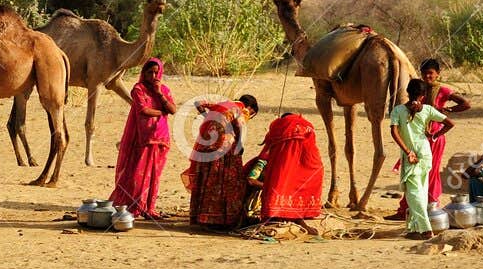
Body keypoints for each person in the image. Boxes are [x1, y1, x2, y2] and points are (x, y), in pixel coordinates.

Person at [386, 58, 470, 221]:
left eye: (431, 73)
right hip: (418, 137)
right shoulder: (420, 89)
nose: (427, 76)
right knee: (411, 172)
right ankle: (407, 208)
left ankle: (431, 206)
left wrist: (447, 110)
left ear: (438, 74)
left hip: (435, 137)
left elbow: (466, 104)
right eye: (425, 73)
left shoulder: (443, 91)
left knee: (430, 172)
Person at [110, 58, 175, 221]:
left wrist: (159, 93)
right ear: (144, 73)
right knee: (137, 174)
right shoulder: (138, 89)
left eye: (156, 72)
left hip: (161, 138)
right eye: (149, 72)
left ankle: (149, 207)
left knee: (154, 175)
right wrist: (161, 112)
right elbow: (143, 110)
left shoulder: (164, 90)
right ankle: (134, 205)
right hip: (143, 138)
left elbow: (173, 109)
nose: (153, 76)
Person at [389, 78, 454, 240]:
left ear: (407, 93)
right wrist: (434, 135)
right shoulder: (427, 110)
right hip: (425, 153)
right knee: (422, 191)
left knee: (413, 193)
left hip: (412, 156)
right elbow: (449, 123)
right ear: (423, 95)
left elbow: (394, 133)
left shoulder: (397, 110)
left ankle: (425, 229)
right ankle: (413, 228)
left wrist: (407, 151)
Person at [184, 94, 258, 227]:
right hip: (223, 145)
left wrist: (208, 118)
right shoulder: (241, 108)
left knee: (207, 176)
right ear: (250, 107)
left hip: (206, 142)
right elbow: (240, 125)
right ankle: (221, 218)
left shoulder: (222, 104)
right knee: (224, 177)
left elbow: (198, 102)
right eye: (252, 114)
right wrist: (240, 144)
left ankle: (202, 215)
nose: (249, 116)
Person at [246, 111, 324, 223]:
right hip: (313, 164)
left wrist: (272, 189)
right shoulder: (307, 128)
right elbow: (251, 180)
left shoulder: (267, 158)